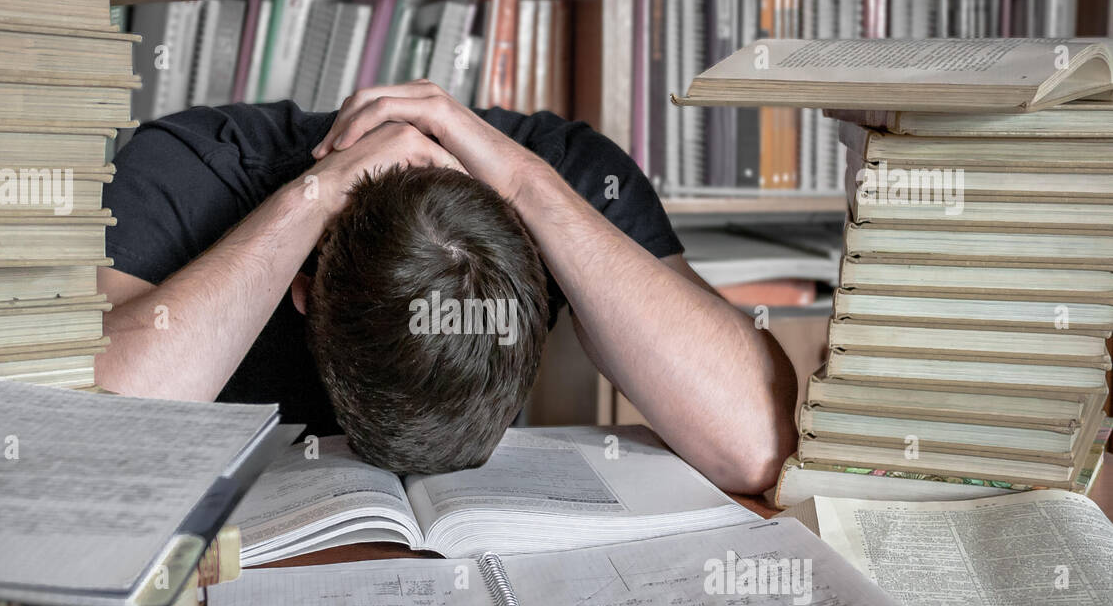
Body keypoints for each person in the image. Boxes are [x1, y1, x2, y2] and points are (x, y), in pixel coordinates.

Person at [98, 81, 798, 492]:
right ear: (304, 289)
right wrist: (311, 200)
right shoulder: (187, 170)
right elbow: (83, 434)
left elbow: (756, 442)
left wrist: (529, 189)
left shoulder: (570, 177)